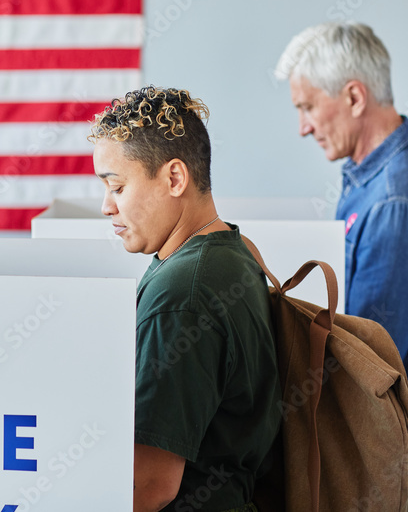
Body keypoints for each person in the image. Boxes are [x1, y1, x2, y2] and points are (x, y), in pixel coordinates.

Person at [89, 86, 280, 511]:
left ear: (175, 178)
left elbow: (148, 486)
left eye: (117, 187)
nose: (106, 207)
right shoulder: (234, 249)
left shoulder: (184, 293)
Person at [275, 23, 408, 410]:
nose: (303, 128)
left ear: (355, 97)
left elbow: (369, 365)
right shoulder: (371, 179)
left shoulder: (393, 203)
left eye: (307, 107)